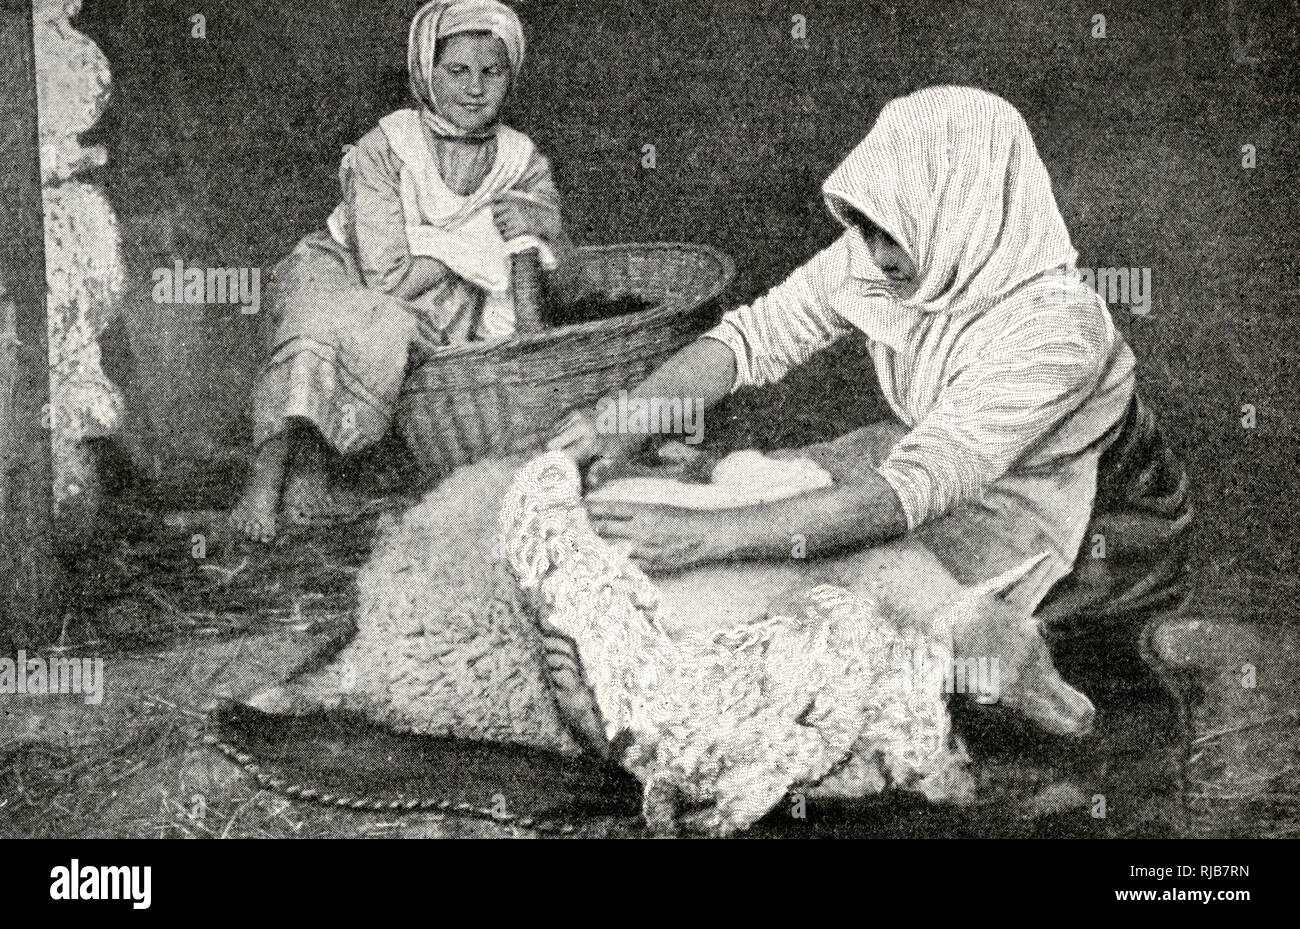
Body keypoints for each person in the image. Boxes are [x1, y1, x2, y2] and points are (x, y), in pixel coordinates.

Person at [549, 86, 1190, 616]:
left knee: (887, 632)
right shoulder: (896, 251)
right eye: (872, 230)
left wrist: (700, 537)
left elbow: (903, 494)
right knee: (781, 539)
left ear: (963, 208)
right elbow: (751, 337)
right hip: (944, 468)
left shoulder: (1054, 328)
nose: (878, 255)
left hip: (1085, 507)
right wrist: (625, 421)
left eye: (896, 233)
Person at [232, 0, 572, 541]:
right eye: (456, 71)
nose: (475, 88)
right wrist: (459, 249)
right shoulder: (388, 145)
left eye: (492, 71)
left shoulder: (520, 157)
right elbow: (385, 274)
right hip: (344, 266)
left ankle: (312, 479)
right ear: (426, 71)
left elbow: (549, 254)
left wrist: (537, 220)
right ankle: (265, 482)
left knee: (384, 324)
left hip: (442, 296)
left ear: (512, 75)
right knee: (323, 321)